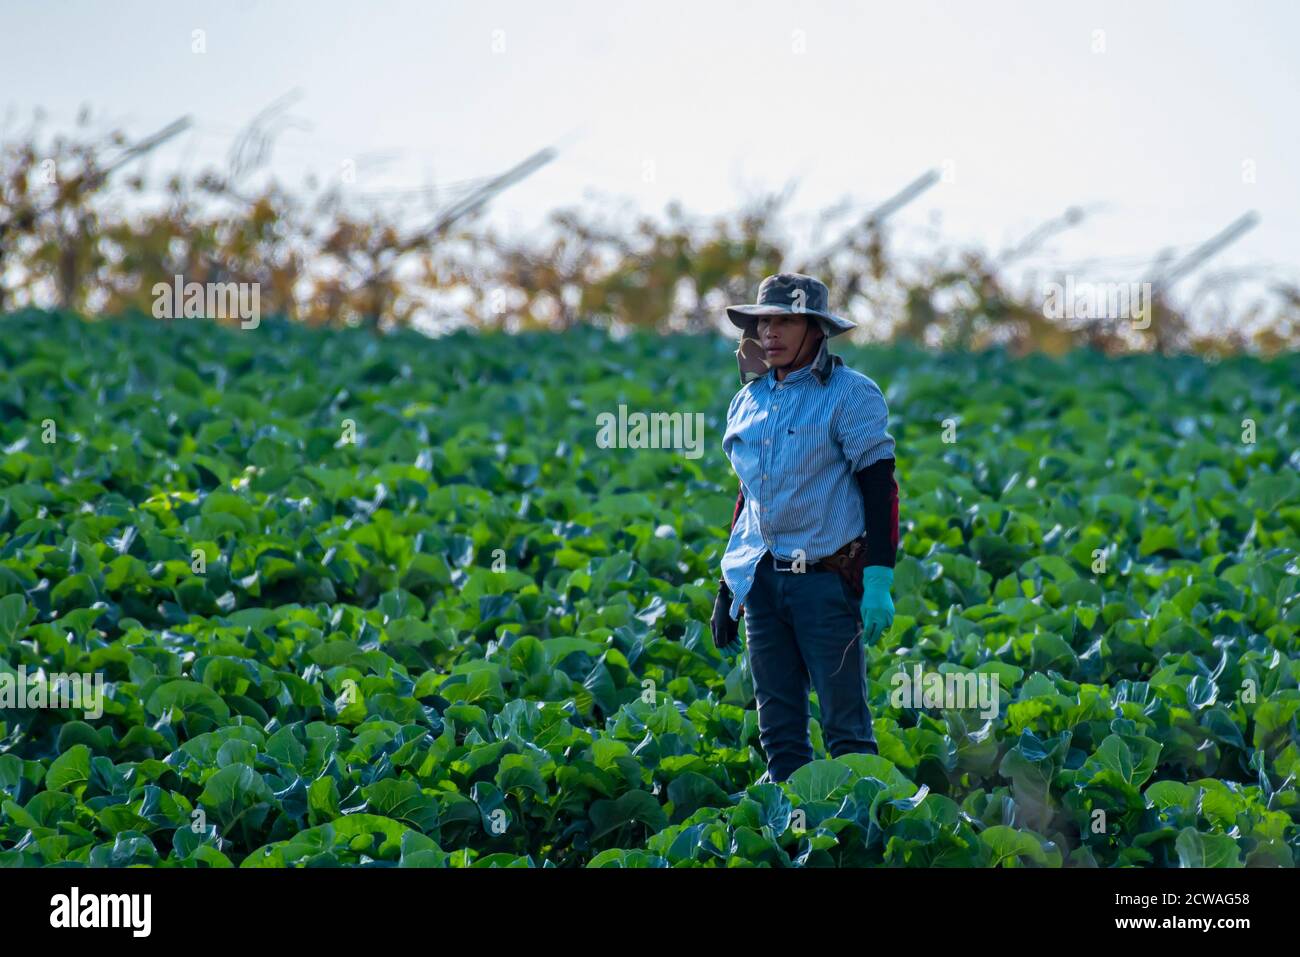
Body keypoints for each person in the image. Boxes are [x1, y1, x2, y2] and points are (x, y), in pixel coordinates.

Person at [711, 272, 900, 783]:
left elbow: (881, 488)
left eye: (785, 321)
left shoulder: (851, 394)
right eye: (764, 321)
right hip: (764, 584)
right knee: (779, 734)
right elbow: (751, 498)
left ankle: (860, 839)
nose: (770, 332)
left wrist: (879, 579)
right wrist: (728, 585)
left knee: (847, 732)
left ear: (816, 328)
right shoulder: (748, 400)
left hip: (825, 582)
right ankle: (794, 844)